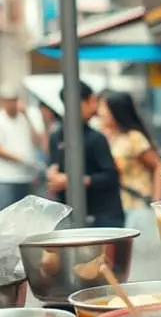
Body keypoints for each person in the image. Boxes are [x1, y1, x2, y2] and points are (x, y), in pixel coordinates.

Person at [48, 81, 124, 228]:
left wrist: (74, 180)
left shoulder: (96, 138)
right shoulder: (57, 136)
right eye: (92, 101)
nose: (95, 106)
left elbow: (111, 176)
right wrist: (52, 178)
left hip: (103, 216)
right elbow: (54, 169)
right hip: (70, 215)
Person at [99, 90, 161, 213]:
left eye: (105, 109)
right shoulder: (106, 137)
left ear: (116, 112)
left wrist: (157, 202)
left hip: (137, 204)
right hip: (116, 207)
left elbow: (158, 166)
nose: (101, 113)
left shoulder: (134, 138)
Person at [0, 83, 41, 211]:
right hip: (5, 178)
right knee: (5, 215)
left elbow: (38, 140)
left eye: (14, 100)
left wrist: (27, 115)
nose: (11, 104)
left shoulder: (27, 117)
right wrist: (20, 159)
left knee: (26, 216)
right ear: (3, 102)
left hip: (26, 177)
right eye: (8, 101)